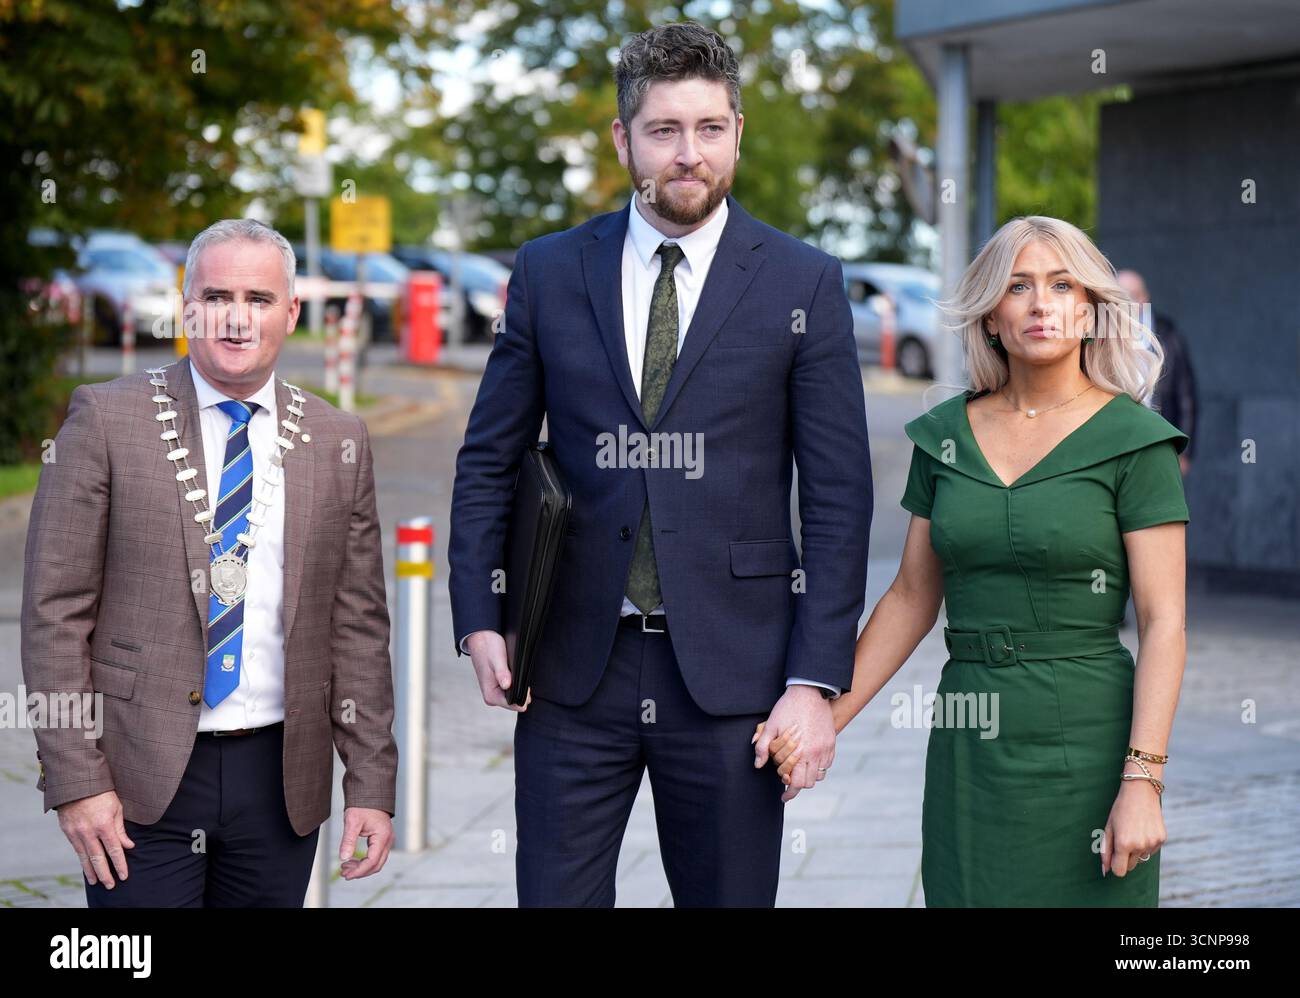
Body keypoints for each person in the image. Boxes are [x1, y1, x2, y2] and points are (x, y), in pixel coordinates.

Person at [448, 22, 872, 907]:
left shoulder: (805, 283)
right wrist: (479, 618)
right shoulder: (551, 270)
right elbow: (489, 458)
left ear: (738, 131)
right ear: (622, 139)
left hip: (735, 679)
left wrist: (814, 683)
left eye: (710, 129)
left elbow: (837, 501)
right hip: (568, 671)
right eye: (664, 130)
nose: (689, 154)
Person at [770, 216, 1188, 906]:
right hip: (971, 741)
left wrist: (1143, 781)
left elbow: (1164, 620)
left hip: (1089, 739)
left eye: (1062, 285)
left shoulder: (1135, 442)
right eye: (1018, 286)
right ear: (991, 314)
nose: (1041, 303)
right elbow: (910, 597)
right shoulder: (945, 437)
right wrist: (824, 718)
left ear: (1090, 310)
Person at [21, 219, 398, 907]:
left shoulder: (338, 440)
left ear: (291, 312)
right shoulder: (107, 420)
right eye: (216, 296)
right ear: (186, 306)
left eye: (258, 299)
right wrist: (77, 780)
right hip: (139, 780)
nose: (235, 318)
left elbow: (359, 627)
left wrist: (372, 785)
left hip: (280, 782)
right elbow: (53, 612)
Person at [1116, 269, 1197, 477]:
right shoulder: (1106, 334)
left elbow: (1186, 396)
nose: (1128, 303)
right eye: (1120, 296)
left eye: (1133, 296)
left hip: (1161, 438)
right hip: (1119, 441)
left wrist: (1184, 451)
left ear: (1145, 297)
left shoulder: (1168, 333)